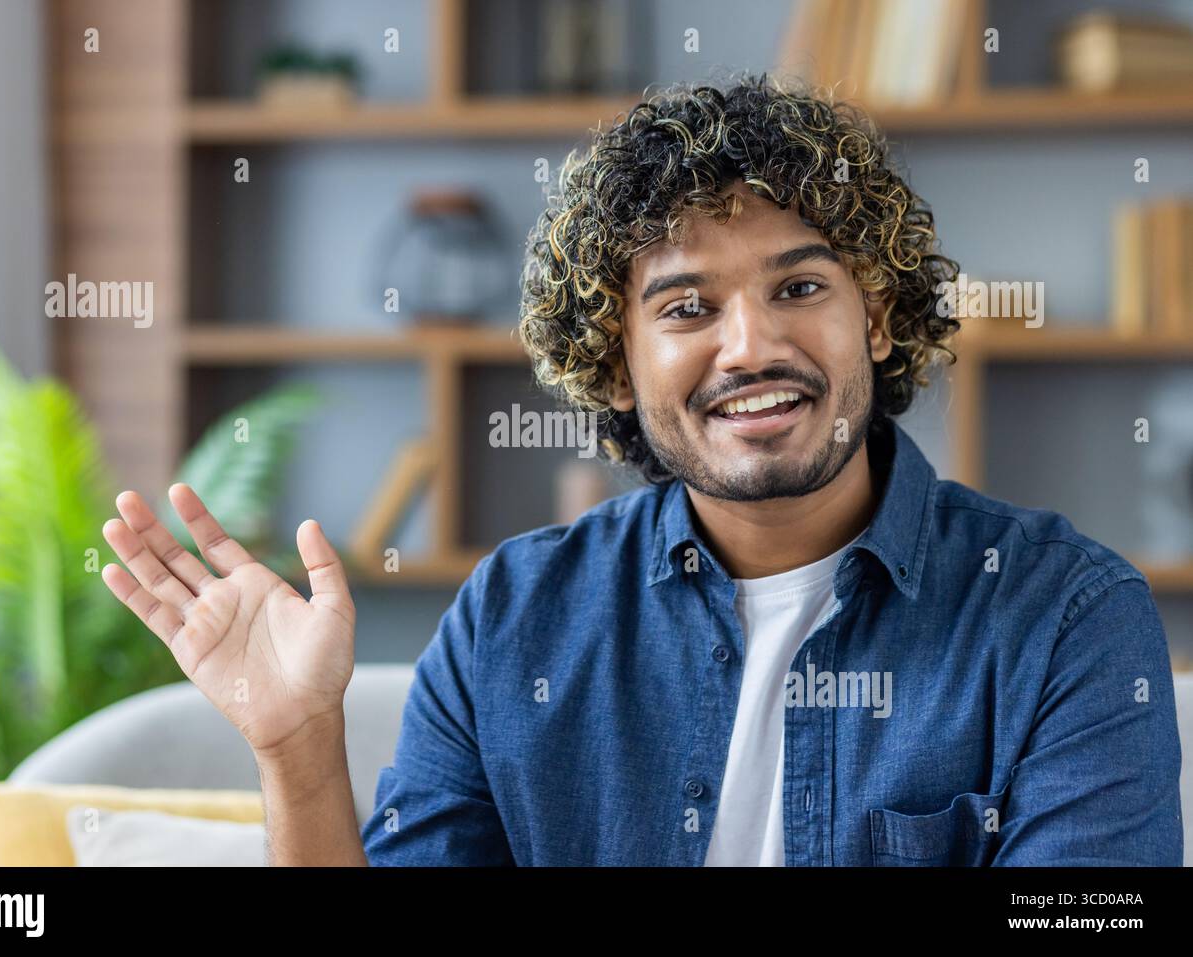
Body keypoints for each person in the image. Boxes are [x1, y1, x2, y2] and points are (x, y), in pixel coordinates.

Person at [99, 73, 1183, 866]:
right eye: (686, 308)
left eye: (800, 287)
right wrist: (297, 749)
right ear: (613, 369)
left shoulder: (1062, 617)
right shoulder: (512, 617)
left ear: (883, 321)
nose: (750, 345)